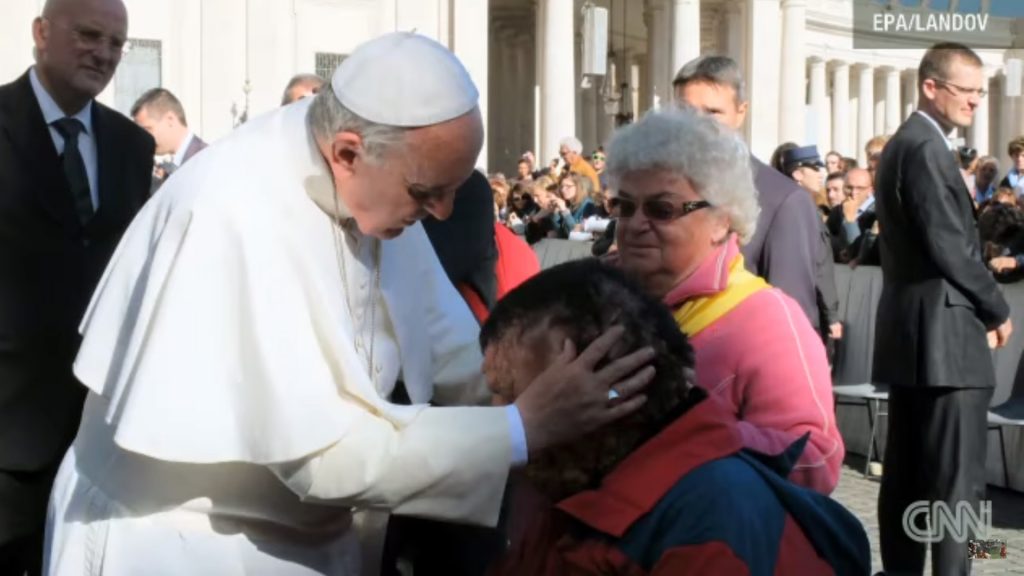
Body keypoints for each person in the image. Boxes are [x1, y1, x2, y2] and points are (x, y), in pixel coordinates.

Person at [44, 32, 655, 575]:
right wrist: (520, 429)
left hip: (315, 542)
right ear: (346, 152)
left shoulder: (380, 183)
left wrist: (544, 394)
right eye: (427, 193)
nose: (440, 215)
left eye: (452, 192)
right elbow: (321, 457)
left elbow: (454, 352)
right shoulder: (232, 214)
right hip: (182, 544)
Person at [483, 260, 870, 575]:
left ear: (608, 388)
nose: (500, 415)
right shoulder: (578, 494)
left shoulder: (709, 524)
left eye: (511, 392)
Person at [607, 107, 843, 494]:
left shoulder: (767, 319)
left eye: (661, 209)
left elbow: (815, 460)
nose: (634, 224)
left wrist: (691, 434)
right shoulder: (599, 296)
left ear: (722, 220)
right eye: (625, 206)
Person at [0, 1, 155, 573]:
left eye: (118, 44)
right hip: (8, 429)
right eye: (90, 35)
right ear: (40, 33)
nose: (105, 54)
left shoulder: (131, 147)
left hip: (99, 427)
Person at [873, 42, 1012, 576]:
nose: (976, 102)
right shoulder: (926, 148)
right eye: (968, 91)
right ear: (931, 86)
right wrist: (996, 308)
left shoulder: (906, 145)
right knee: (958, 485)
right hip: (949, 341)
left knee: (907, 477)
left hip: (914, 338)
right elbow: (951, 245)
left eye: (981, 92)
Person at [673, 56, 821, 336]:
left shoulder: (782, 200)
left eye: (713, 112)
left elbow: (792, 320)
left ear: (741, 112)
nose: (697, 125)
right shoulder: (656, 186)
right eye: (685, 112)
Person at [131, 87, 207, 191]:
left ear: (170, 120)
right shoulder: (170, 166)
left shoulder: (204, 160)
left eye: (147, 129)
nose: (142, 138)